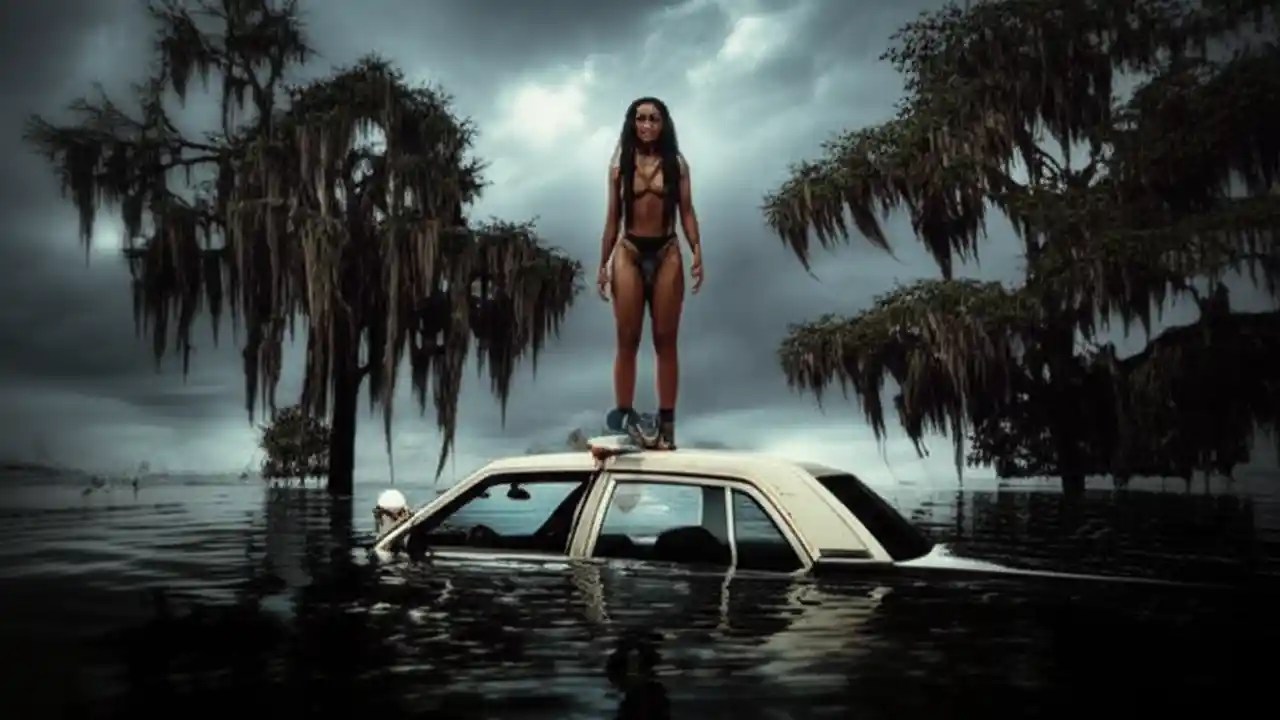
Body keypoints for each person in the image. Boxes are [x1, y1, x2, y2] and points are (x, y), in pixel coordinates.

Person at [597, 97, 703, 449]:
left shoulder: (676, 164)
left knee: (665, 340)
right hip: (628, 251)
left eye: (653, 119)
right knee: (627, 340)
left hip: (667, 251)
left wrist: (696, 248)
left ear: (663, 123)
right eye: (640, 118)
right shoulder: (619, 167)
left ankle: (667, 425)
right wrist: (603, 264)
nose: (646, 125)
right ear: (632, 123)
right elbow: (613, 218)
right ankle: (624, 420)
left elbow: (686, 211)